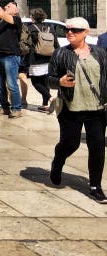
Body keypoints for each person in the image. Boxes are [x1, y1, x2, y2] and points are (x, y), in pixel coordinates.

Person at [47, 17, 107, 203]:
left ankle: (95, 186)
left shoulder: (100, 53)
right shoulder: (60, 53)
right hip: (70, 108)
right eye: (68, 29)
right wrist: (59, 82)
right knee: (70, 144)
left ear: (86, 33)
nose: (70, 32)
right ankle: (58, 163)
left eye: (75, 30)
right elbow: (48, 79)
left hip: (96, 109)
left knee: (97, 148)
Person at [23, 8, 58, 112]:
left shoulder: (30, 28)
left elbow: (26, 44)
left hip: (36, 59)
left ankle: (51, 98)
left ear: (33, 17)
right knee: (45, 82)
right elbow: (56, 44)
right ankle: (44, 104)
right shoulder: (49, 28)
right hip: (49, 58)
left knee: (35, 82)